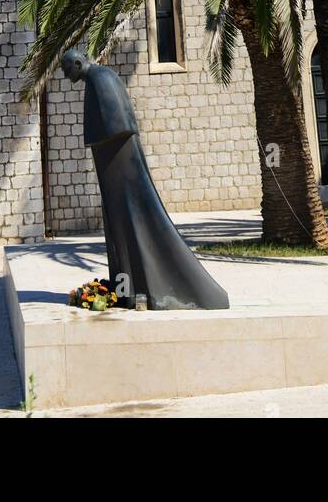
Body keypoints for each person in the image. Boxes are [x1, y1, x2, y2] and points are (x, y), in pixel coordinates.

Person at [61, 49, 229, 311]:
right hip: (113, 161)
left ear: (77, 63)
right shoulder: (99, 79)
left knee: (129, 219)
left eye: (66, 70)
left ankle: (139, 291)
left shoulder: (100, 79)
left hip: (117, 161)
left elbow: (116, 128)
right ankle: (126, 290)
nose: (65, 75)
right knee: (119, 223)